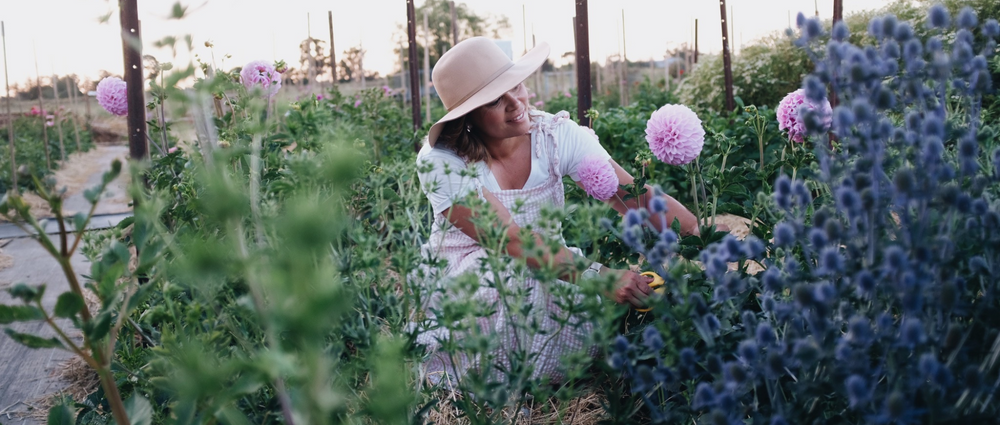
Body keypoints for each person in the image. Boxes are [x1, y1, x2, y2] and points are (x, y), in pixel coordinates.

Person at [413, 37, 701, 385]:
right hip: (474, 276)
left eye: (515, 86)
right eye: (493, 101)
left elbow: (633, 197)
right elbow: (510, 241)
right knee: (512, 281)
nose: (515, 103)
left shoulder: (556, 136)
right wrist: (600, 276)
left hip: (554, 265)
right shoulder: (441, 161)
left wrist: (699, 239)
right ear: (467, 118)